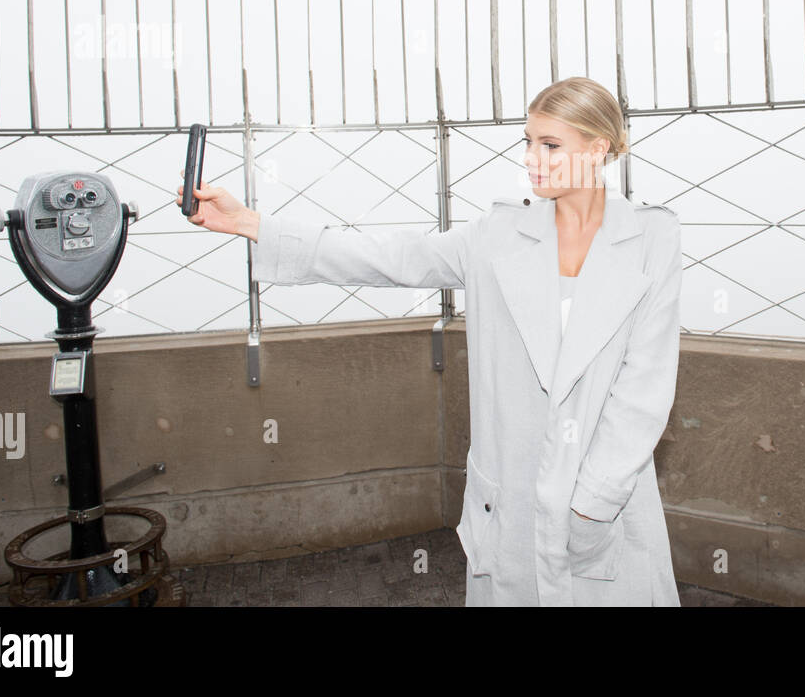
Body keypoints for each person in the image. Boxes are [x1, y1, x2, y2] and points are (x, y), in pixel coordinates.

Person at [175, 76, 683, 606]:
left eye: (550, 145)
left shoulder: (652, 239)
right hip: (510, 505)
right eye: (527, 142)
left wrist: (591, 506)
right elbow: (388, 256)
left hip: (604, 505)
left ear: (598, 147)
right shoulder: (496, 235)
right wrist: (255, 223)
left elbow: (644, 387)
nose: (532, 158)